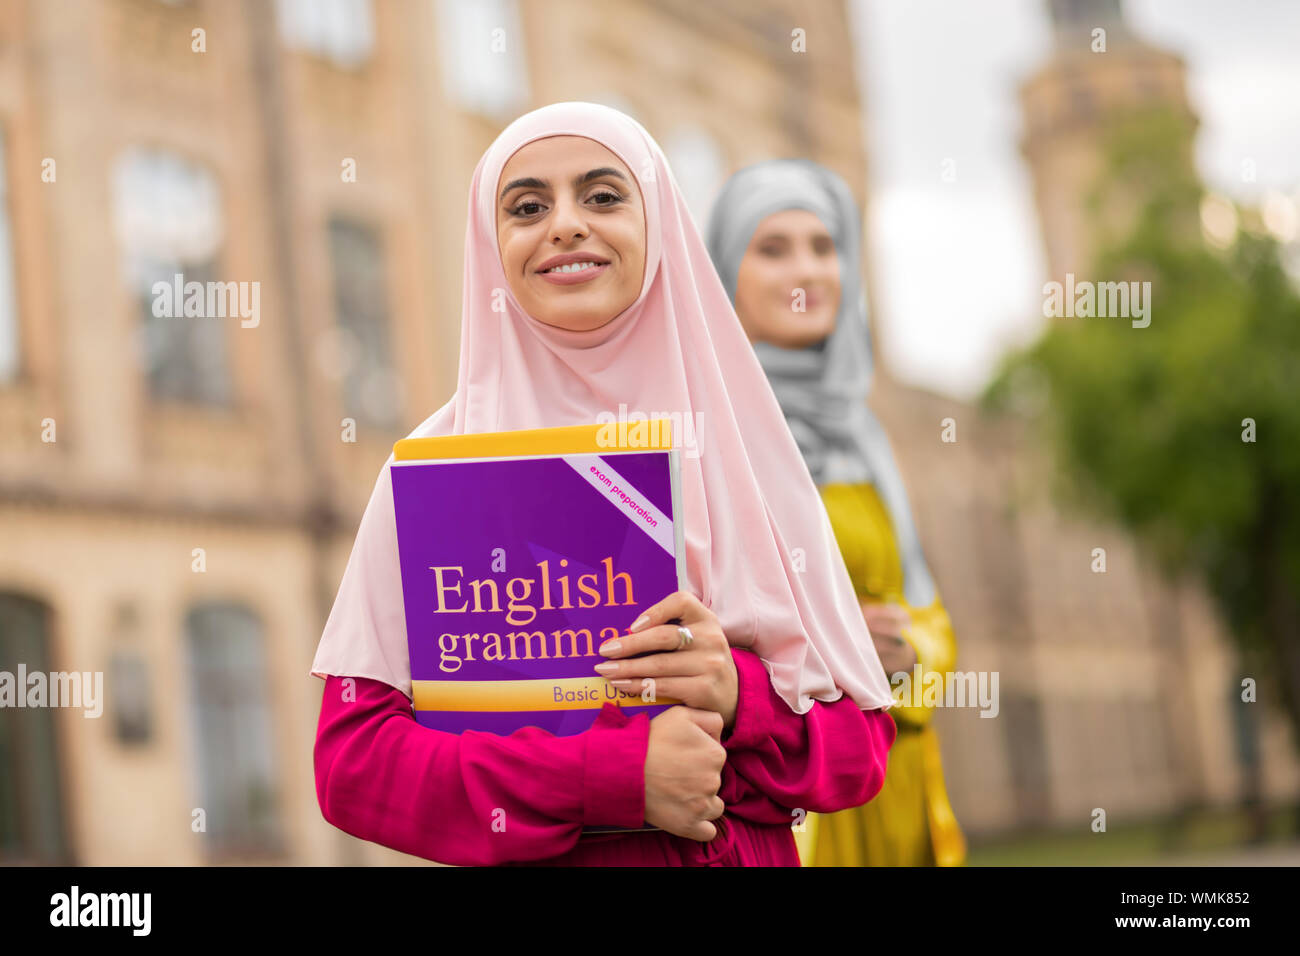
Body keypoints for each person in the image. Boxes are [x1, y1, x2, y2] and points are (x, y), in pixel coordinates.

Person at [309, 103, 898, 867]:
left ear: (659, 226)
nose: (564, 225)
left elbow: (860, 750)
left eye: (603, 195)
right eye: (526, 207)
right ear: (492, 248)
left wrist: (740, 698)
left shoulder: (745, 449)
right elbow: (355, 767)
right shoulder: (436, 468)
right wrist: (615, 780)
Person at [706, 159, 966, 867]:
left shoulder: (863, 434)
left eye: (824, 246)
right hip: (796, 790)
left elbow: (929, 614)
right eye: (774, 247)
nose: (808, 270)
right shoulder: (709, 430)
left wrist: (912, 657)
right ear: (725, 271)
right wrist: (834, 650)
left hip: (900, 780)